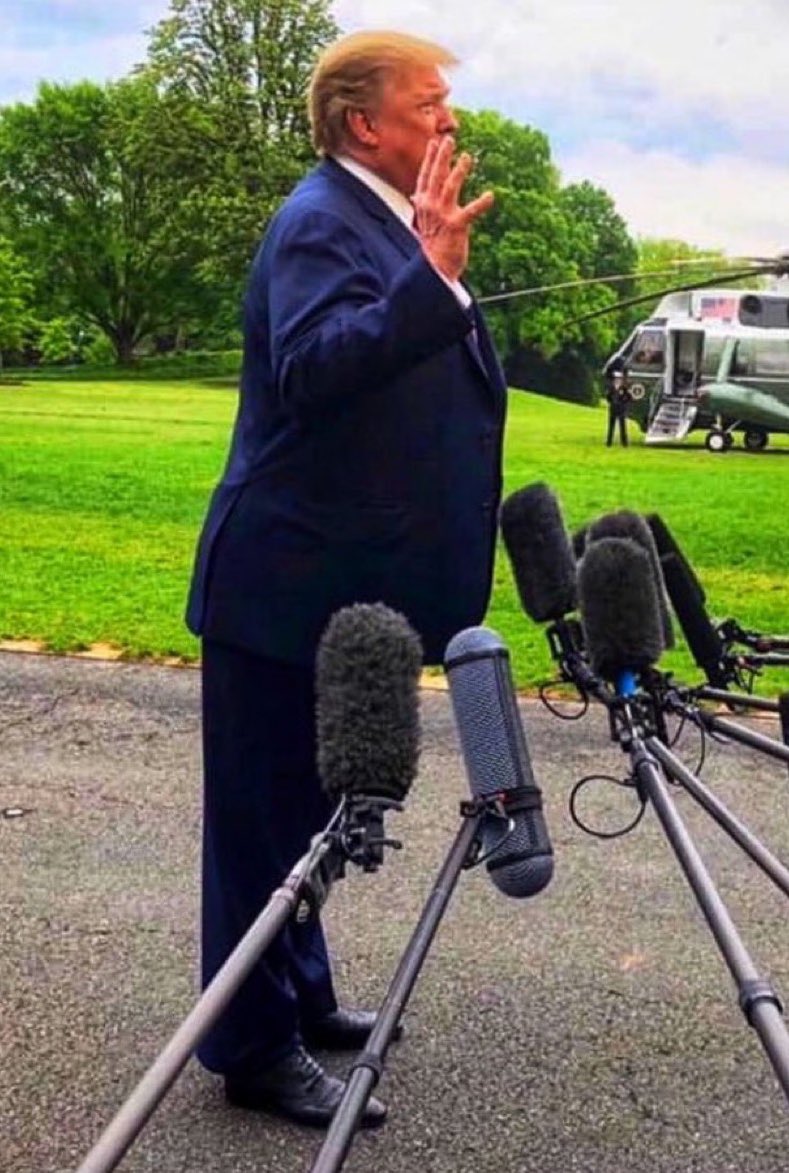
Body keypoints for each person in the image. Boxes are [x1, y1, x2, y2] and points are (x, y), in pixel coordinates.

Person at [185, 29, 507, 1129]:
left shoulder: (376, 217)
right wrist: (433, 280)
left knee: (311, 821)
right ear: (363, 123)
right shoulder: (321, 219)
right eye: (430, 107)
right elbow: (315, 368)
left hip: (329, 596)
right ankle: (251, 1047)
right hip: (280, 591)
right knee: (261, 830)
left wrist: (428, 273)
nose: (448, 123)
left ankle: (301, 996)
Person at [605, 366, 632, 447]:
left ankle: (624, 443)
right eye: (616, 379)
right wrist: (611, 402)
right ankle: (609, 442)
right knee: (611, 426)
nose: (617, 380)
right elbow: (608, 397)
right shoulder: (611, 388)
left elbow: (629, 397)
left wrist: (623, 402)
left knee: (622, 426)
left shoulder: (624, 388)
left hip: (621, 409)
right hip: (613, 408)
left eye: (619, 379)